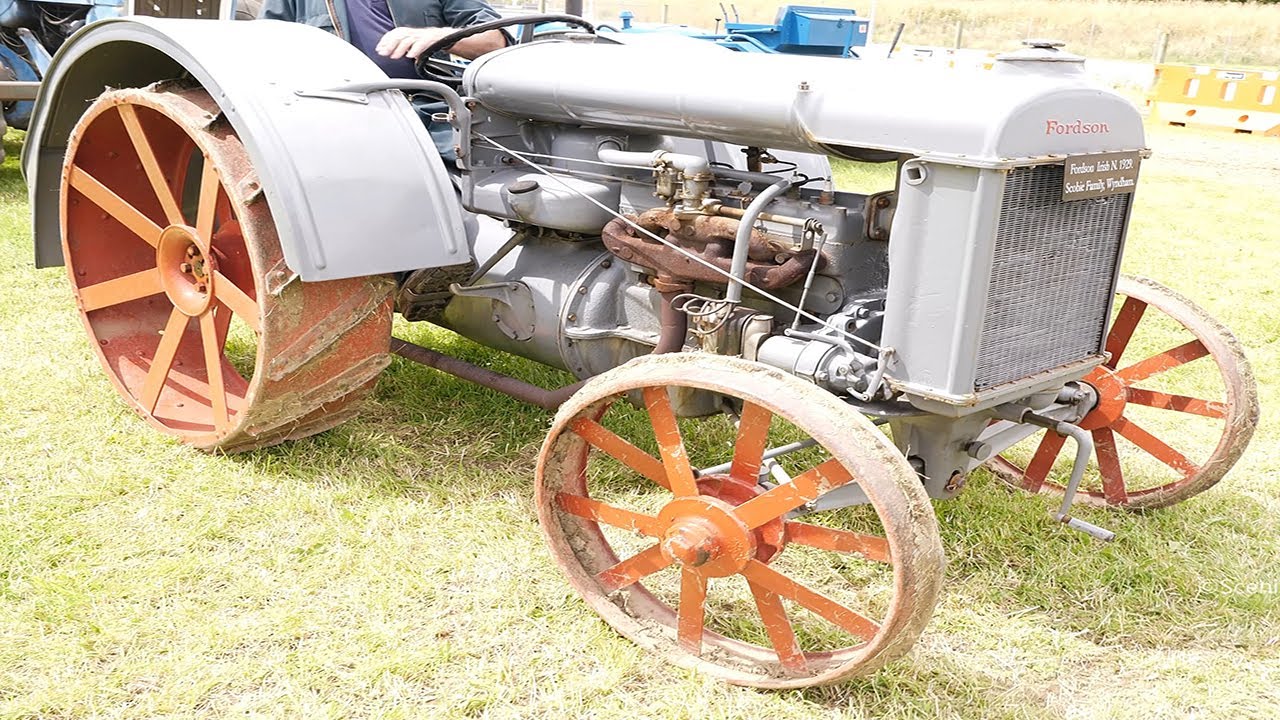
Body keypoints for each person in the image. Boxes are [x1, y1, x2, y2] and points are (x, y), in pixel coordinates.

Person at [259, 0, 508, 156]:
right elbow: (262, 53)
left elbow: (497, 41)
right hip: (333, 116)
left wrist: (442, 36)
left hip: (428, 114)